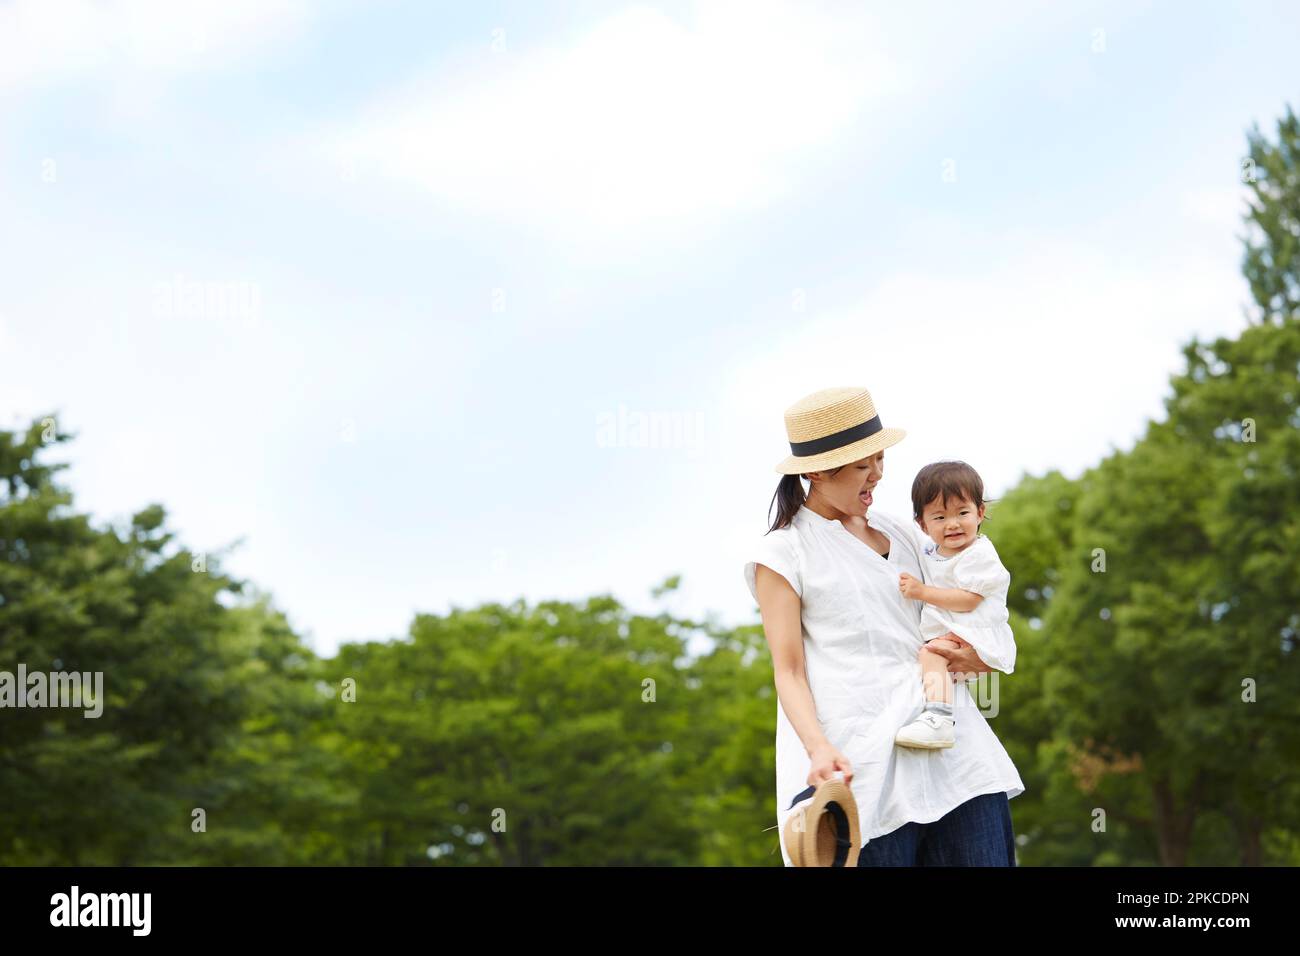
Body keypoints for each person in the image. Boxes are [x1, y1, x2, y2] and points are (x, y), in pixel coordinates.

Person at [743, 386, 1024, 866]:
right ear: (815, 471)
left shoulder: (903, 533)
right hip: (860, 765)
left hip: (953, 755)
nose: (878, 474)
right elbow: (788, 671)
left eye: (878, 459)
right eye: (862, 465)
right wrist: (817, 749)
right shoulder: (783, 553)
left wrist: (978, 653)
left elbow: (969, 602)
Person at [894, 460, 1017, 750]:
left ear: (980, 513)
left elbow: (967, 600)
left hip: (976, 632)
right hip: (958, 631)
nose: (953, 524)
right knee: (932, 658)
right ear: (922, 524)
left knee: (931, 655)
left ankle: (939, 719)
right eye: (939, 518)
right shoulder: (931, 551)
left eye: (963, 512)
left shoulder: (979, 555)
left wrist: (922, 591)